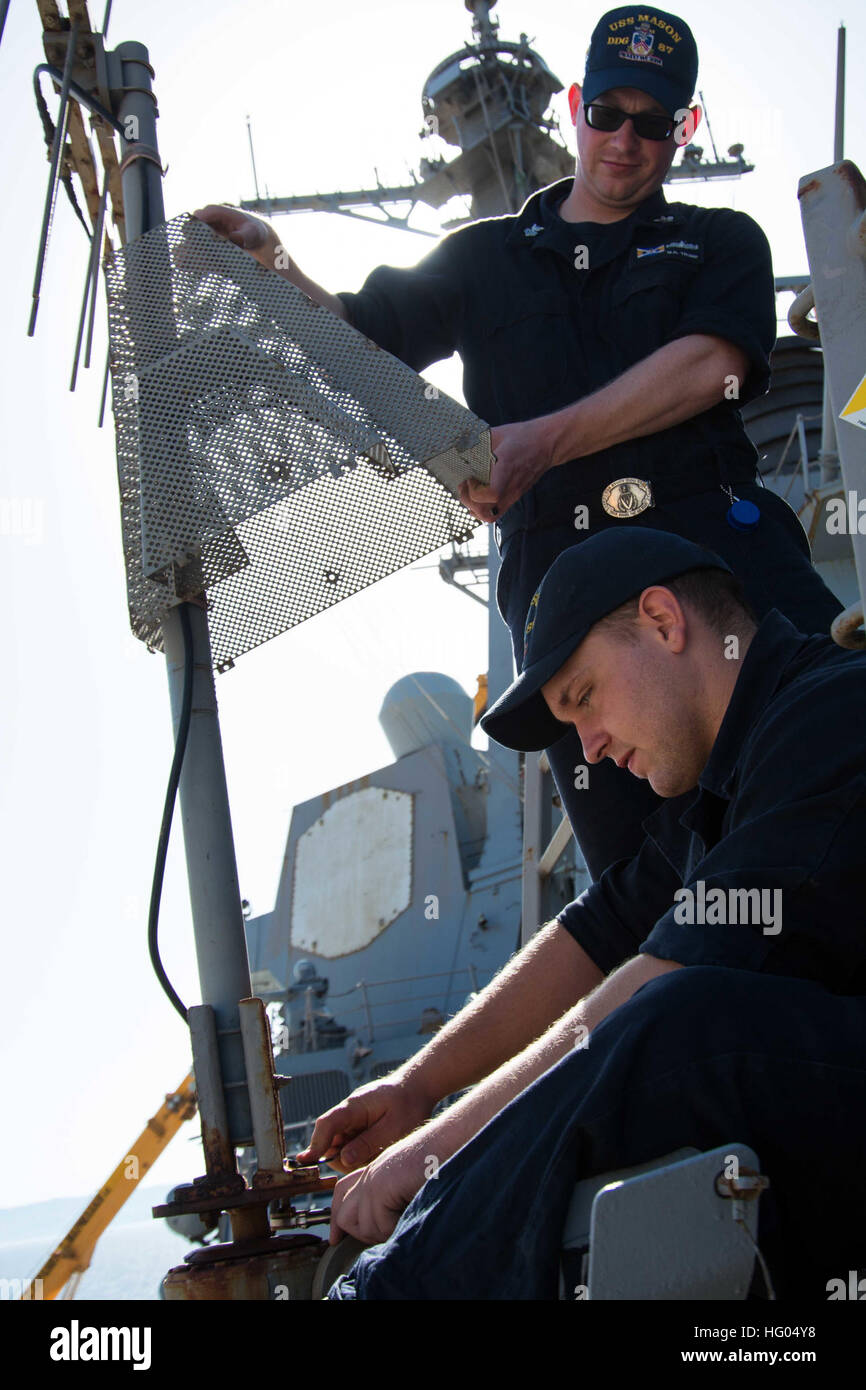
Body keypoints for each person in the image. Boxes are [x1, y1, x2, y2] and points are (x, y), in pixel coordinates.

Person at [192, 6, 843, 886]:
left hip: (720, 561)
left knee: (837, 746)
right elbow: (357, 338)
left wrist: (538, 443)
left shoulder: (720, 241)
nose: (626, 140)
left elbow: (712, 365)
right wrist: (276, 268)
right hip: (569, 613)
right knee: (648, 884)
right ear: (576, 107)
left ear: (683, 131)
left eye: (655, 122)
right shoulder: (480, 261)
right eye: (608, 113)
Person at [317, 528, 866, 1298]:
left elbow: (659, 985)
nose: (593, 746)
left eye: (584, 699)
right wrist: (415, 1088)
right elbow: (598, 928)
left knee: (686, 1023)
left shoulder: (832, 712)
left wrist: (429, 1156)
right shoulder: (723, 784)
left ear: (664, 622)